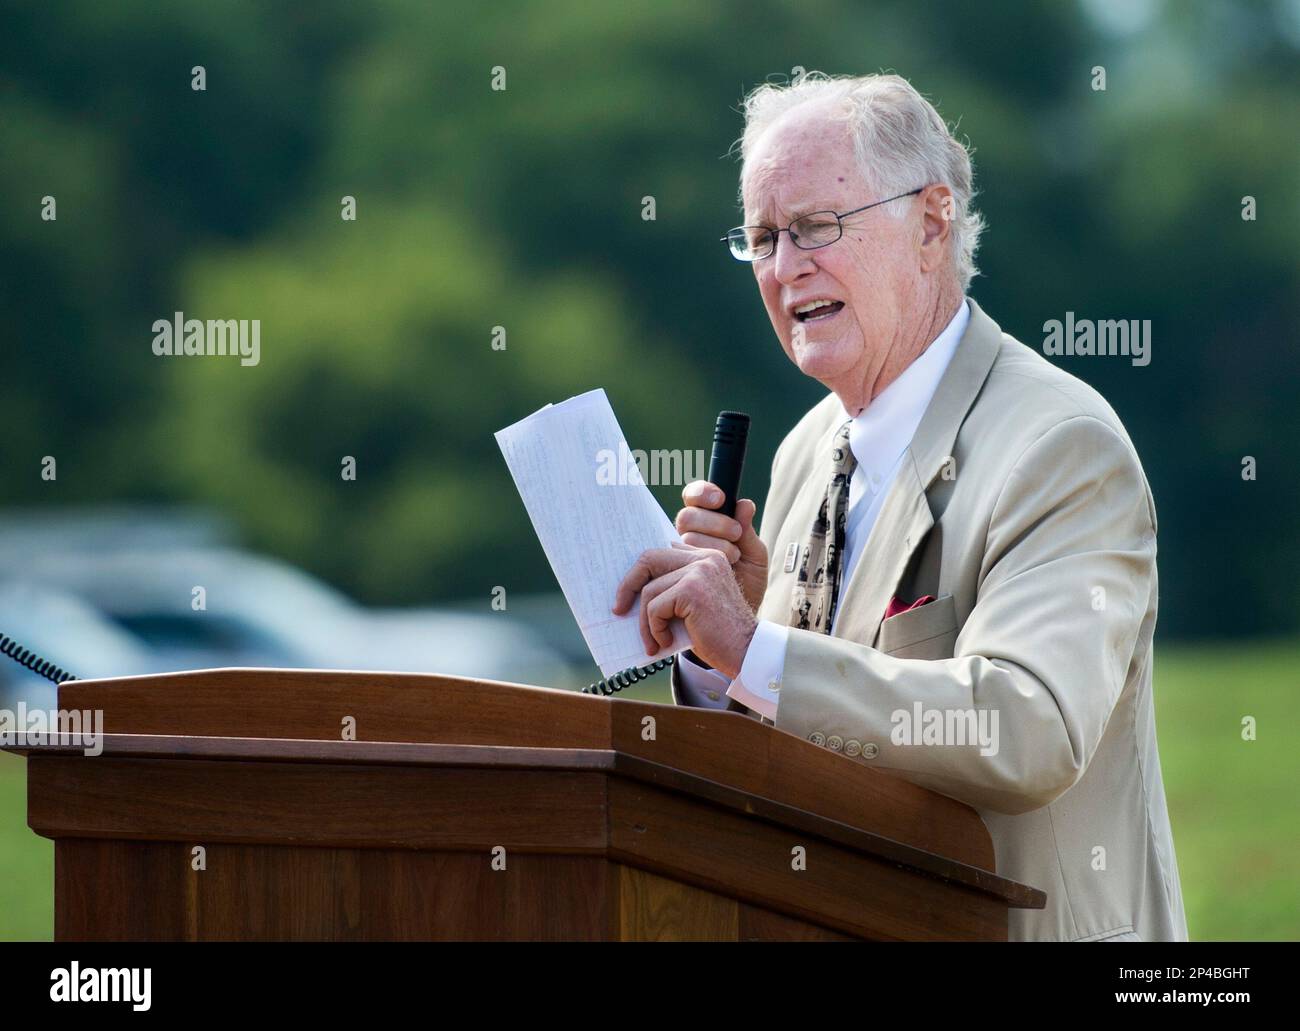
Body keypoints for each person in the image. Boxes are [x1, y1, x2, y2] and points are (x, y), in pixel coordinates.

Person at [612, 72, 1187, 942]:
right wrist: (713, 654)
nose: (785, 267)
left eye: (817, 226)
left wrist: (756, 646)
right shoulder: (808, 447)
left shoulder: (1062, 446)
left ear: (931, 224)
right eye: (762, 238)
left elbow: (1030, 727)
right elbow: (801, 738)